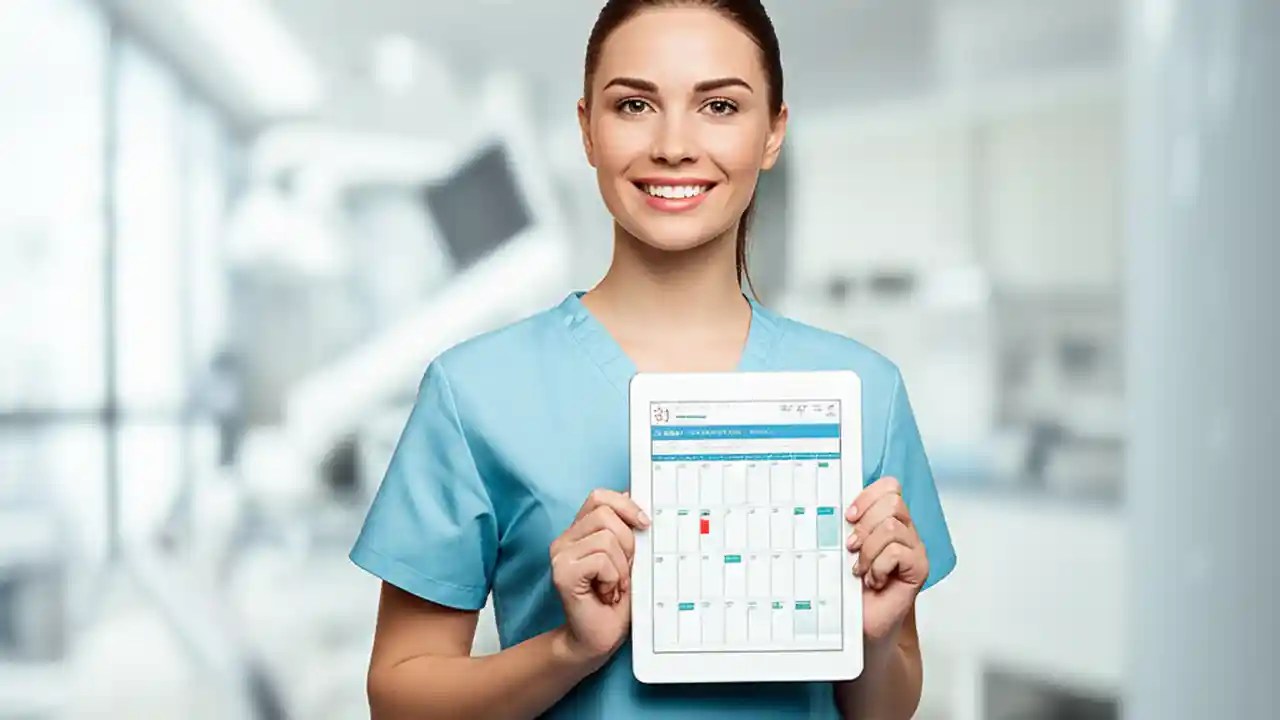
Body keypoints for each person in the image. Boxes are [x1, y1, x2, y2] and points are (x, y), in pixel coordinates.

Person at [349, 1, 956, 717]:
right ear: (588, 131)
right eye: (635, 104)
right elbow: (399, 696)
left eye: (720, 106)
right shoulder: (473, 392)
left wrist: (876, 641)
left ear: (773, 133)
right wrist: (567, 652)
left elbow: (886, 707)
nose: (674, 145)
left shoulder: (866, 392)